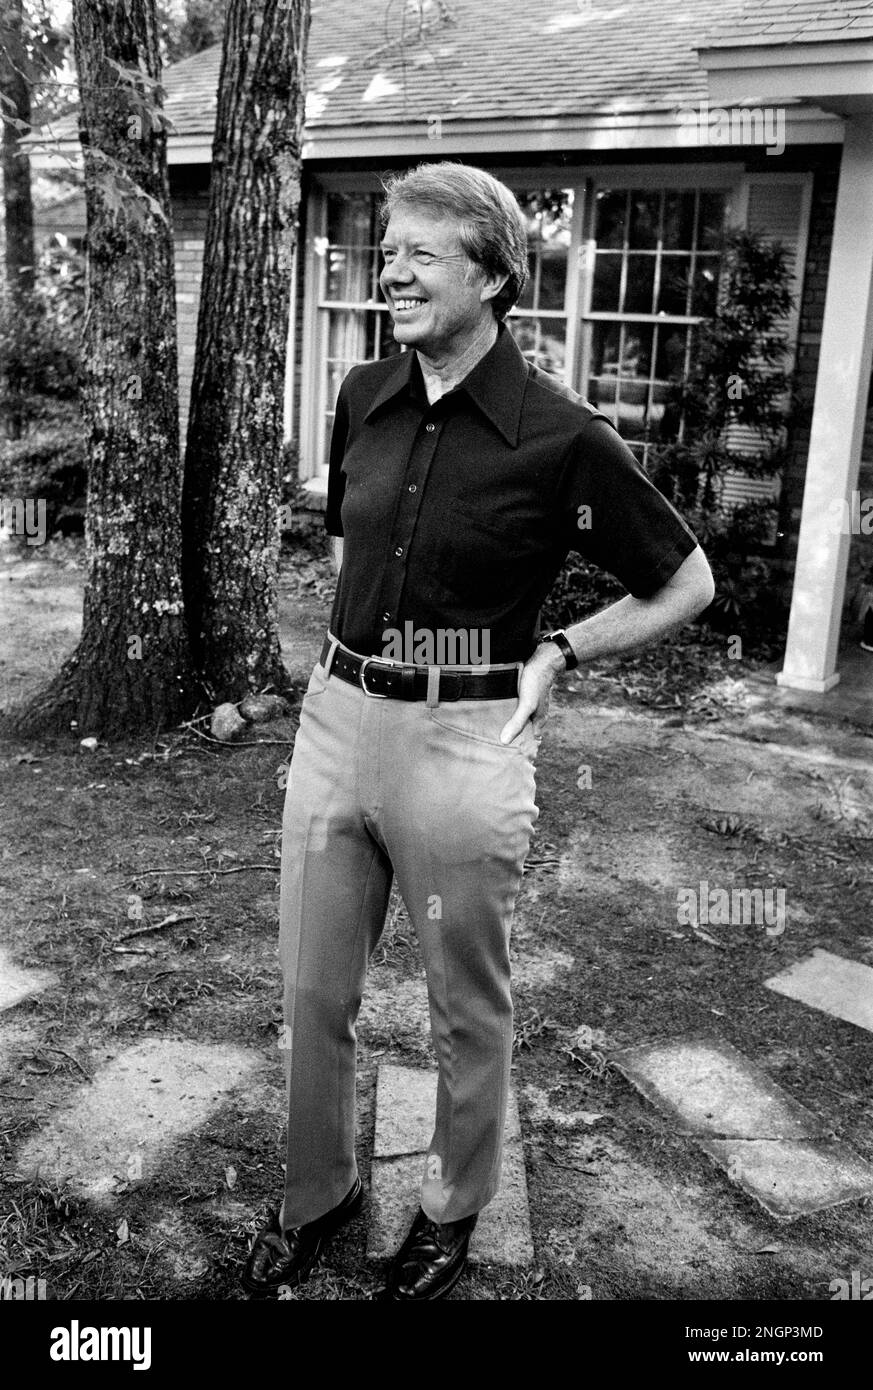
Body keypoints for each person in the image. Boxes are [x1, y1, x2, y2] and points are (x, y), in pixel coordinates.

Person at [244, 162, 715, 1301]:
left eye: (421, 252)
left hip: (462, 748)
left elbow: (685, 580)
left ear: (496, 277)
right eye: (387, 246)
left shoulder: (561, 438)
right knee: (311, 987)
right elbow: (354, 545)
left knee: (464, 1002)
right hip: (336, 722)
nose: (389, 268)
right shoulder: (364, 393)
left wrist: (560, 652)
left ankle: (452, 1210)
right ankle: (319, 1193)